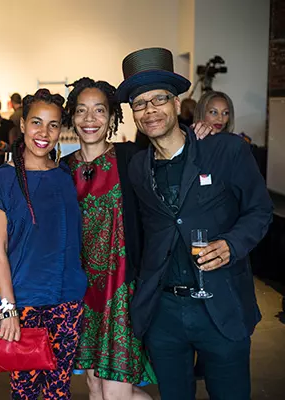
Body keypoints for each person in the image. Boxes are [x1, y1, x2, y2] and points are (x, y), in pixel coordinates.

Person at [116, 47, 273, 400]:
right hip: (164, 314)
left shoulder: (225, 151)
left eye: (159, 99)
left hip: (221, 306)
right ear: (133, 114)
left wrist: (232, 244)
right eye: (140, 104)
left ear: (176, 103)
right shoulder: (137, 168)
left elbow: (260, 211)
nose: (150, 109)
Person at [0, 89, 87, 399]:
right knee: (25, 392)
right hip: (24, 303)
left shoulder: (66, 176)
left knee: (59, 392)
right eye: (37, 123)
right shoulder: (3, 179)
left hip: (67, 299)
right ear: (23, 124)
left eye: (53, 125)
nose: (44, 133)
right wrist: (7, 309)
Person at [62, 78, 154, 400]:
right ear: (71, 116)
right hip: (82, 295)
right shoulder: (62, 169)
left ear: (112, 116)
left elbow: (173, 151)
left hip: (121, 293)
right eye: (82, 111)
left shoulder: (131, 158)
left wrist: (201, 135)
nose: (90, 119)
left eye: (99, 110)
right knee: (94, 387)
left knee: (117, 392)